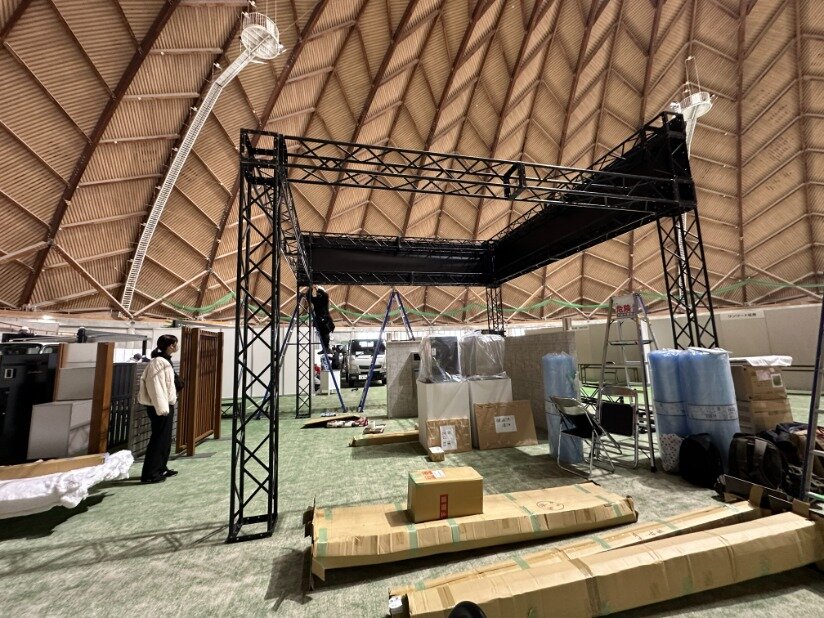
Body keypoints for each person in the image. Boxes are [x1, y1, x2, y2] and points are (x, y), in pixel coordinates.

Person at [138, 334, 183, 484]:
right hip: (160, 407)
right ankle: (150, 474)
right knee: (158, 439)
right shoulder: (158, 362)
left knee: (164, 439)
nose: (177, 346)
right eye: (175, 343)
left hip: (165, 405)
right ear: (171, 345)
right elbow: (156, 387)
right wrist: (162, 408)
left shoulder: (165, 360)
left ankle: (161, 468)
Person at [310, 285, 335, 350]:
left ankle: (326, 348)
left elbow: (325, 295)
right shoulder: (315, 300)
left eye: (319, 293)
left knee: (325, 335)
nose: (318, 294)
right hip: (319, 320)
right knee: (321, 336)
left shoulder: (324, 299)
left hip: (325, 320)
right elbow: (309, 297)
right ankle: (324, 348)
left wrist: (317, 288)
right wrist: (311, 289)